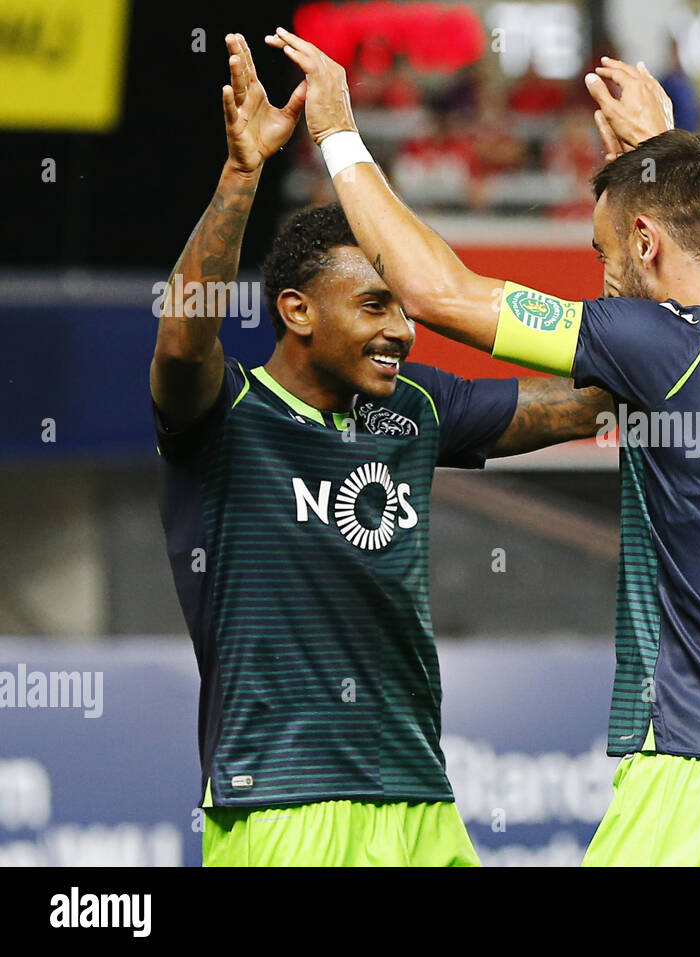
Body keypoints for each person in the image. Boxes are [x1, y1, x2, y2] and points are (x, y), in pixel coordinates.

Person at [269, 26, 700, 866]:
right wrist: (664, 150)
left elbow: (437, 292)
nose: (604, 277)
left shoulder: (662, 341)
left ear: (648, 244)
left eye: (606, 253)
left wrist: (337, 133)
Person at [153, 34, 610, 866]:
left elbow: (580, 406)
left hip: (422, 800)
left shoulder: (415, 406)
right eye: (373, 306)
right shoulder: (226, 417)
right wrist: (241, 178)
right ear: (296, 312)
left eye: (401, 306)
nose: (401, 328)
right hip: (284, 801)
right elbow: (183, 343)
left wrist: (645, 291)